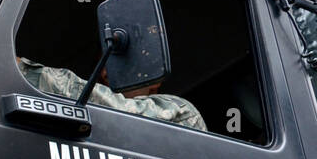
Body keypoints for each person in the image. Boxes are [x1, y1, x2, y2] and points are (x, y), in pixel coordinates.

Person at [17, 57, 207, 132]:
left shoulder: (183, 114)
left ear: (155, 77)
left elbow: (124, 112)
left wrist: (23, 70)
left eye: (118, 60)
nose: (104, 73)